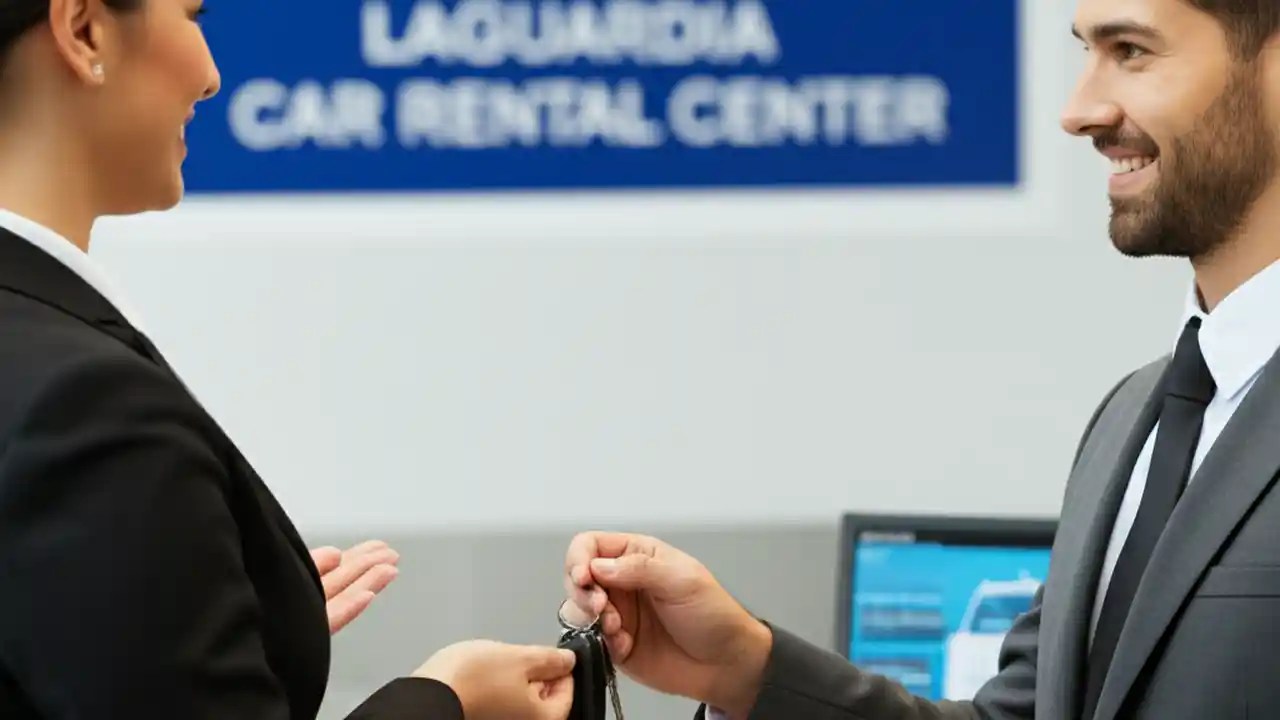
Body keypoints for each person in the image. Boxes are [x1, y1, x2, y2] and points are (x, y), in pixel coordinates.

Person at [560, 0, 1280, 719]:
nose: (1079, 110)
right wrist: (744, 668)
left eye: (1130, 52)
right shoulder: (1133, 417)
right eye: (1086, 52)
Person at [0, 1, 576, 718]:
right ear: (83, 28)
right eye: (191, 14)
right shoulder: (88, 405)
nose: (211, 77)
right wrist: (446, 701)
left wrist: (223, 635)